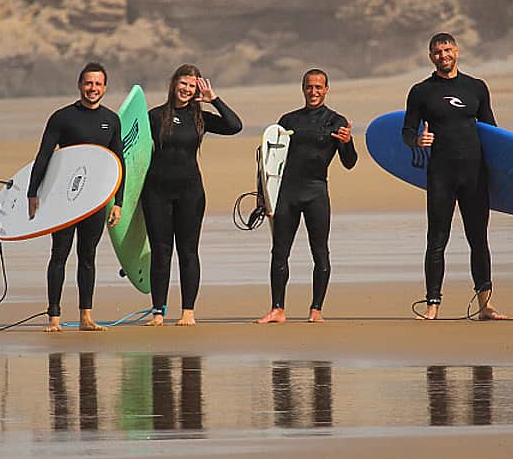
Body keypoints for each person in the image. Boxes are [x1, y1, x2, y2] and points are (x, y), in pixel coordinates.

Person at [401, 33, 507, 321]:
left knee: (478, 239)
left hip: (475, 175)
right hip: (441, 175)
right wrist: (417, 141)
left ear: (457, 51)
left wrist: (504, 173)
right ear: (430, 56)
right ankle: (432, 305)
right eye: (437, 51)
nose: (443, 55)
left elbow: (492, 132)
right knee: (436, 239)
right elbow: (407, 131)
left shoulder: (476, 88)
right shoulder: (421, 91)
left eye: (447, 49)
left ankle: (485, 305)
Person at [142, 64, 242, 326]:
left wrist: (214, 99)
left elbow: (235, 126)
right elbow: (132, 151)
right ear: (174, 83)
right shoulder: (154, 116)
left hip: (190, 193)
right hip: (156, 192)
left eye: (192, 85)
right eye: (183, 83)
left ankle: (188, 312)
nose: (186, 89)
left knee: (188, 252)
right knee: (161, 252)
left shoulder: (201, 118)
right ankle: (158, 312)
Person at [27, 62, 124, 332]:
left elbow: (119, 163)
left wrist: (118, 201)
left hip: (95, 201)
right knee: (59, 254)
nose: (92, 88)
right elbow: (44, 155)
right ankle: (54, 318)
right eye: (88, 83)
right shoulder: (62, 117)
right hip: (64, 201)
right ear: (80, 85)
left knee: (87, 256)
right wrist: (32, 193)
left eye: (98, 84)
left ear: (105, 87)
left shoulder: (112, 120)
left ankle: (86, 317)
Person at [255, 69, 356, 324]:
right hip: (287, 193)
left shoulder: (336, 121)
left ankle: (316, 310)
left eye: (319, 87)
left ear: (326, 89)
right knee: (279, 251)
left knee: (320, 252)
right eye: (309, 87)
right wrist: (264, 196)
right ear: (303, 88)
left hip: (316, 192)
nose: (314, 92)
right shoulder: (288, 120)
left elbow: (350, 162)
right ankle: (277, 309)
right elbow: (269, 161)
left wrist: (348, 142)